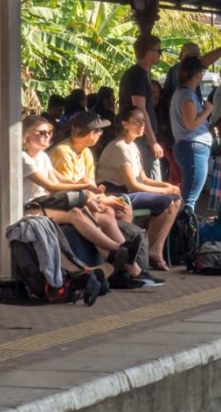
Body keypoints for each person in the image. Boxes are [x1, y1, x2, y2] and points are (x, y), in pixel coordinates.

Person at [22, 115, 143, 280]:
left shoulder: (43, 157)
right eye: (41, 133)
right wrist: (84, 187)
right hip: (30, 210)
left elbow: (62, 180)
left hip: (45, 205)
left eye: (49, 132)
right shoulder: (24, 159)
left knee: (86, 211)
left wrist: (86, 185)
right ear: (27, 135)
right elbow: (52, 186)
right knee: (76, 213)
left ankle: (118, 259)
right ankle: (118, 250)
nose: (47, 136)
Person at [49, 112, 162, 289]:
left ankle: (120, 266)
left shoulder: (85, 153)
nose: (100, 135)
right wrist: (102, 200)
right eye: (99, 131)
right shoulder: (63, 152)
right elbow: (68, 190)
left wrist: (103, 197)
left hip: (81, 199)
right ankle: (127, 262)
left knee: (121, 208)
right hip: (66, 203)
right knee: (107, 213)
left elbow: (90, 186)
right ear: (90, 133)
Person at [97, 106, 181, 271]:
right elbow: (132, 184)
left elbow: (143, 178)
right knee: (170, 200)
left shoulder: (133, 146)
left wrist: (166, 185)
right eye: (137, 121)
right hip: (119, 193)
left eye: (144, 121)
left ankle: (153, 249)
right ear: (125, 124)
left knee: (175, 201)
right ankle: (150, 250)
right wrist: (164, 191)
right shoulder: (119, 147)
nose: (142, 124)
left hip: (131, 192)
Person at [170, 56, 213, 215]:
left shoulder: (184, 93)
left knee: (189, 195)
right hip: (192, 146)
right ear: (197, 74)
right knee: (189, 198)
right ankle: (185, 233)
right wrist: (208, 111)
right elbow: (191, 123)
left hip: (191, 146)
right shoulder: (186, 95)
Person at [119, 34, 165, 181]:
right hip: (142, 137)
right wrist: (153, 141)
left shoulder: (138, 73)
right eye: (159, 51)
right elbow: (140, 109)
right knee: (152, 180)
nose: (160, 54)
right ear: (149, 53)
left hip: (140, 135)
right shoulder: (138, 74)